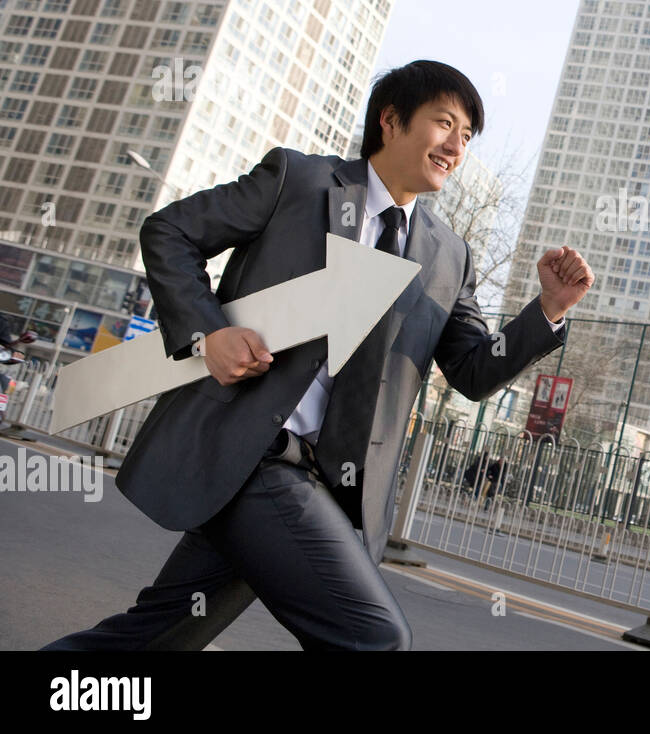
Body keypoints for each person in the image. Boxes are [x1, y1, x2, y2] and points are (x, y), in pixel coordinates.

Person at [40, 60, 593, 650]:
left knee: (154, 638)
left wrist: (549, 310)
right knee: (375, 640)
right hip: (258, 455)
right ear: (391, 121)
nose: (457, 146)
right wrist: (210, 334)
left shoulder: (449, 255)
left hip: (332, 487)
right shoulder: (298, 182)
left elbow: (473, 371)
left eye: (467, 135)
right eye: (445, 123)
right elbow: (169, 233)